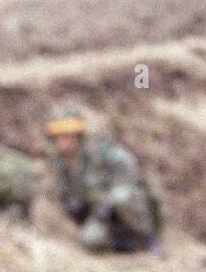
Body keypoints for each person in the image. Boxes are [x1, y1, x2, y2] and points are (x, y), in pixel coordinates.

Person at [47, 106, 163, 254]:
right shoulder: (60, 165)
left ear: (78, 135)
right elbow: (63, 196)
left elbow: (130, 174)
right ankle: (127, 244)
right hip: (101, 216)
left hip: (125, 206)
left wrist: (109, 201)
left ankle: (148, 239)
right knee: (89, 239)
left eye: (67, 136)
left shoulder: (99, 152)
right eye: (58, 137)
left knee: (123, 197)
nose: (62, 141)